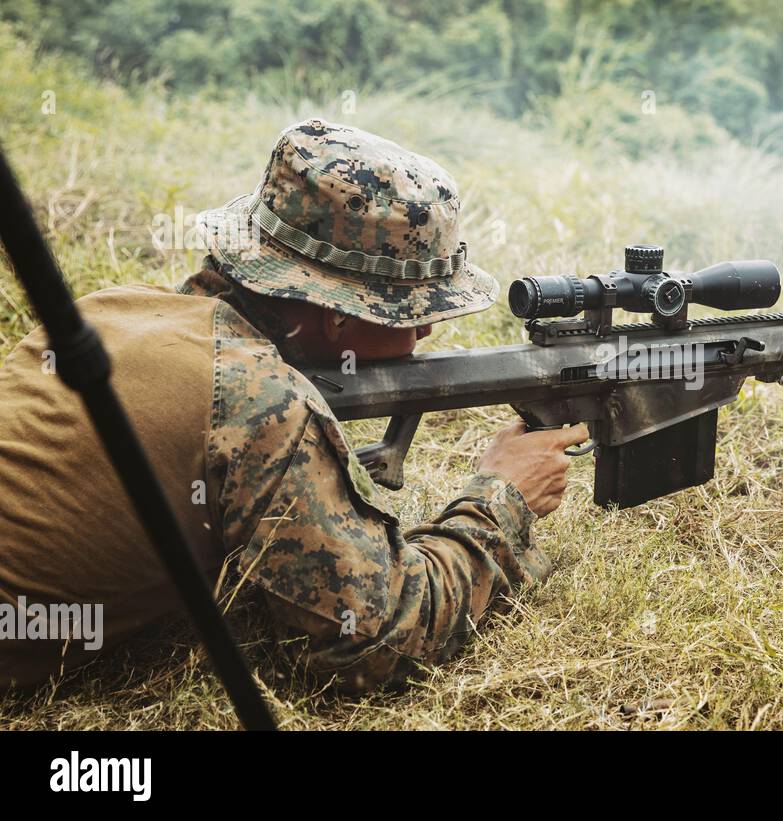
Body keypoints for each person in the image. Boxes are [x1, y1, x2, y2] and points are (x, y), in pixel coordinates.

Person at [0, 119, 585, 692]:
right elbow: (374, 640)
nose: (427, 331)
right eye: (410, 311)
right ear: (338, 312)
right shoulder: (261, 399)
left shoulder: (110, 309)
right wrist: (499, 499)